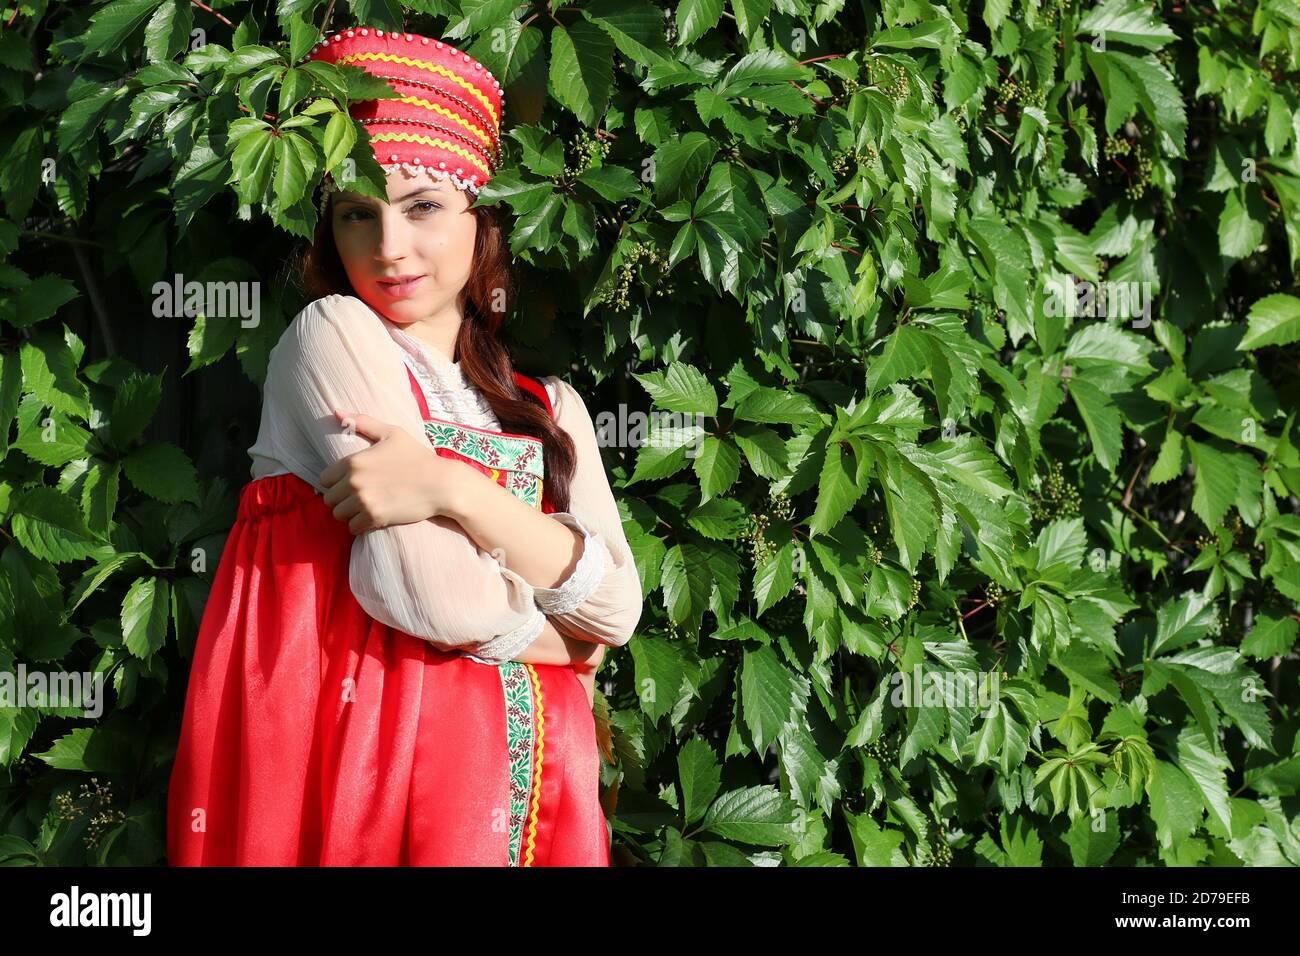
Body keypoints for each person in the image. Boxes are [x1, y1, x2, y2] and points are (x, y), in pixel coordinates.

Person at [166, 27, 643, 866]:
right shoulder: (333, 335)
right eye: (358, 214)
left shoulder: (551, 407)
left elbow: (620, 611)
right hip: (371, 766)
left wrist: (455, 493)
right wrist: (567, 640)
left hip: (545, 793)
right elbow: (426, 593)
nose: (388, 248)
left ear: (481, 215)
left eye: (423, 206)